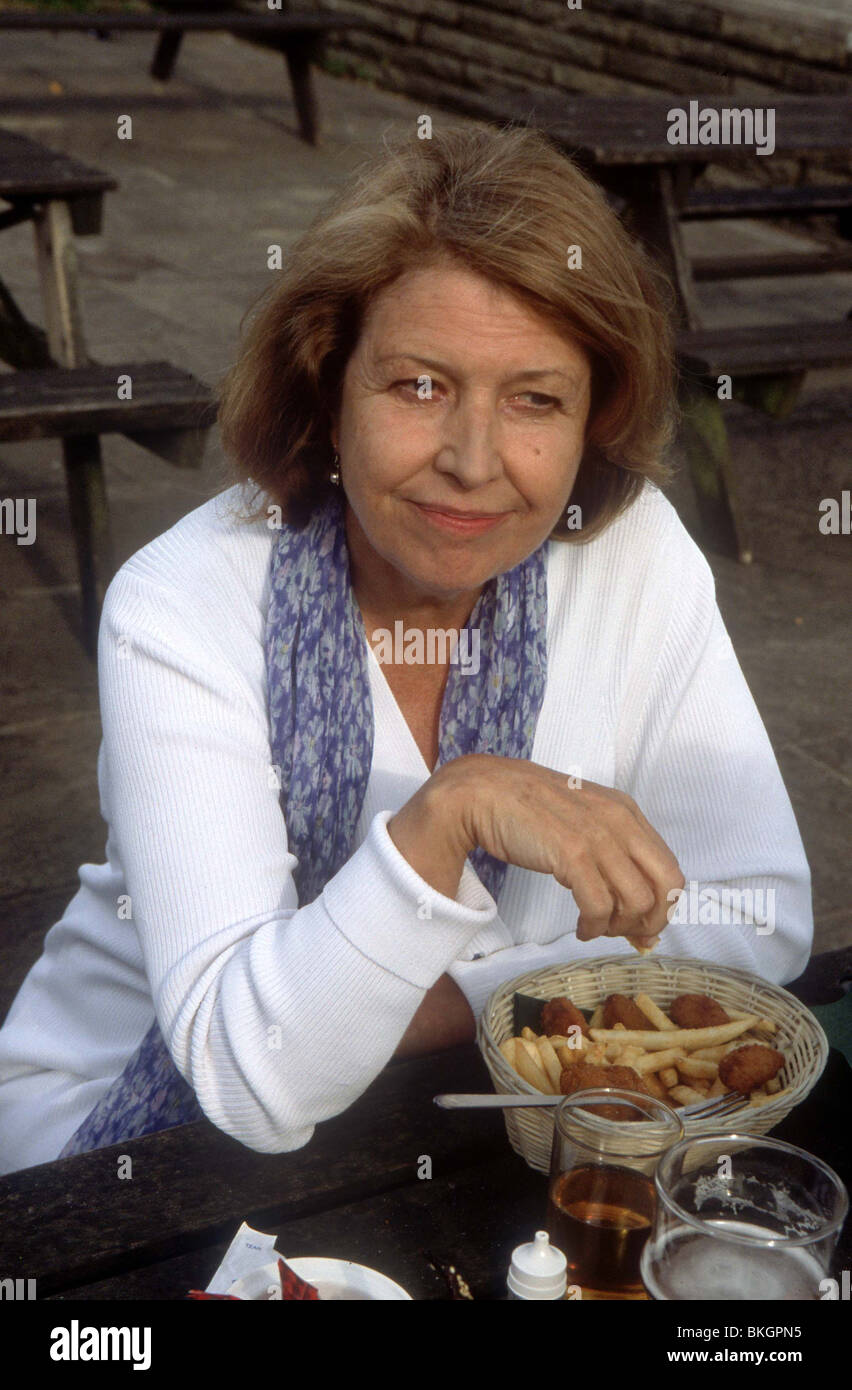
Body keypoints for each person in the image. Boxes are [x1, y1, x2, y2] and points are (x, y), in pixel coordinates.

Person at [0, 125, 811, 1176]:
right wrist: (452, 810)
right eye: (420, 385)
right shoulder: (182, 601)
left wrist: (463, 997)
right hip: (115, 1142)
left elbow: (757, 910)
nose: (474, 461)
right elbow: (252, 1072)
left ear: (592, 418)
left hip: (434, 1111)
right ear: (327, 391)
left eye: (535, 399)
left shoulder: (631, 551)